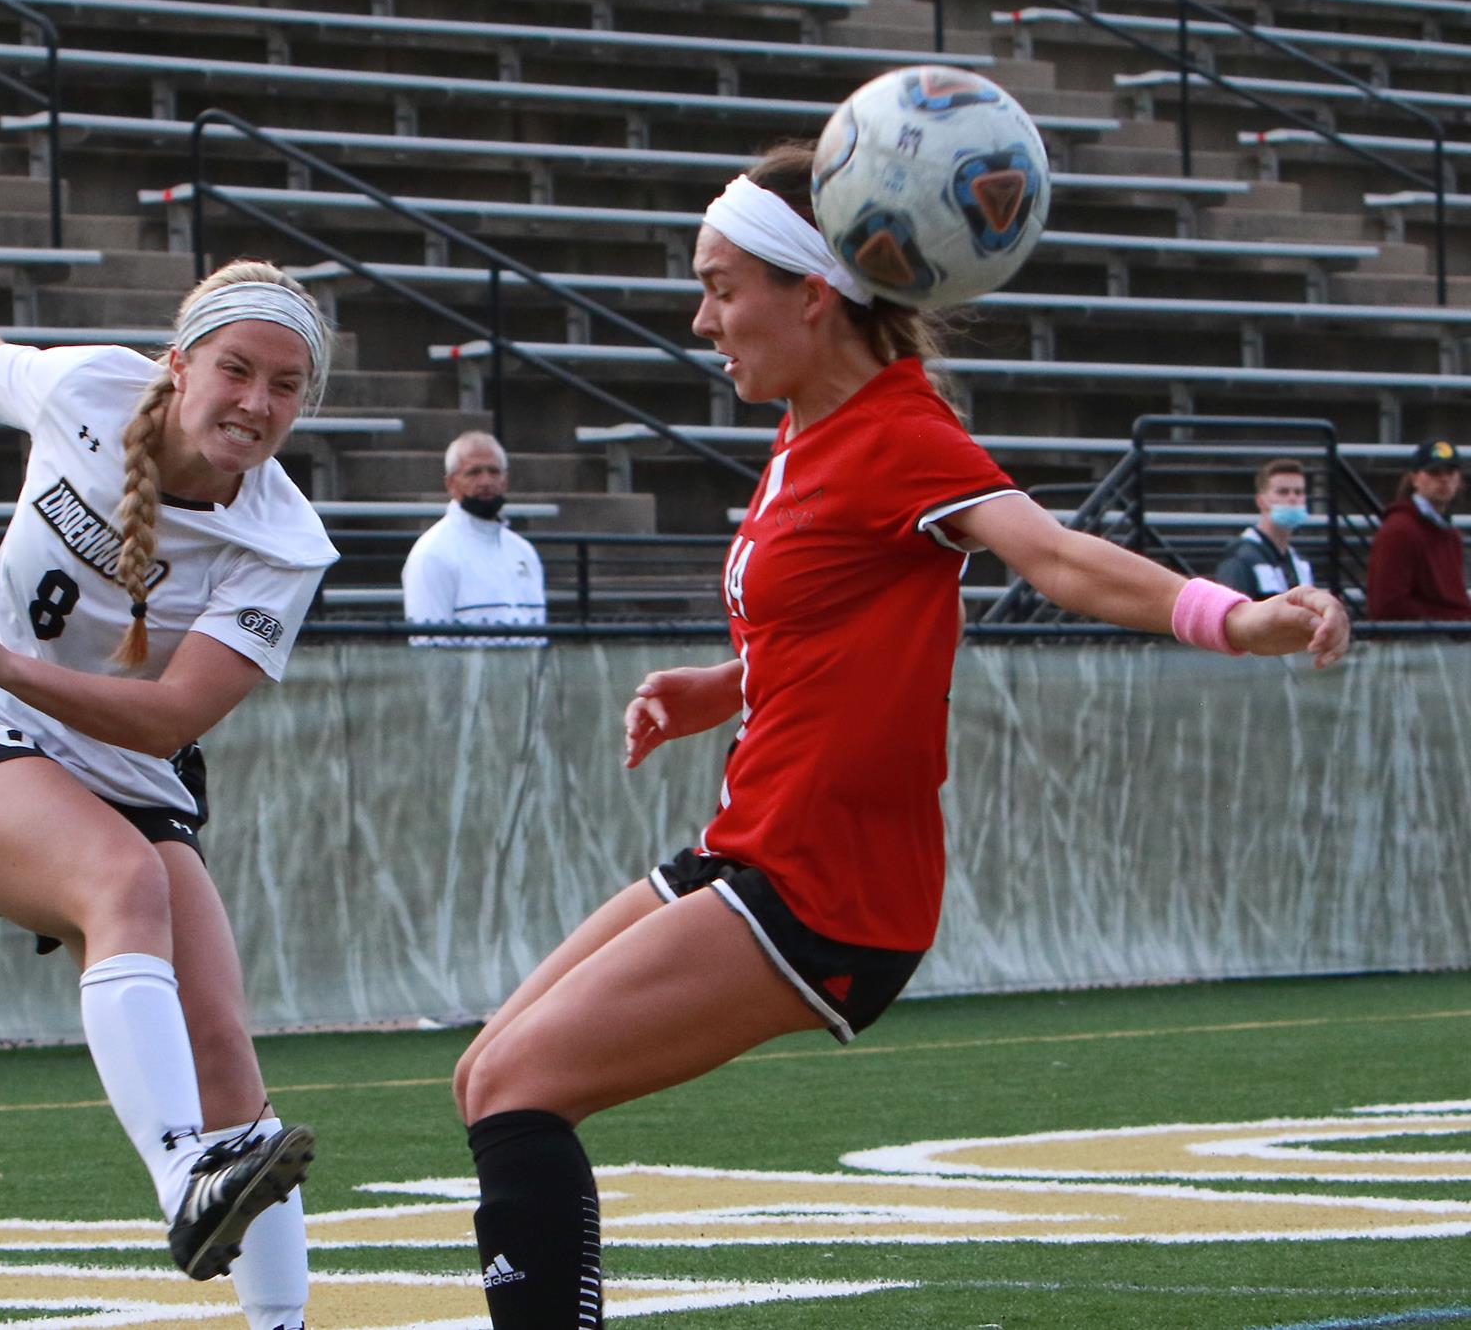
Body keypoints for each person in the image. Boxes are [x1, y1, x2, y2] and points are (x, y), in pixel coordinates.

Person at [448, 145, 1351, 1330]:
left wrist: (1233, 616)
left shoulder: (896, 430)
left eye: (721, 287)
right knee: (482, 1076)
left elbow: (1056, 556)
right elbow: (832, 617)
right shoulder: (802, 437)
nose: (700, 316)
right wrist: (724, 686)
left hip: (828, 883)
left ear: (810, 292)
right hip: (750, 841)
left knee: (521, 1088)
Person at [0, 134, 327, 1329]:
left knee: (228, 1062)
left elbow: (176, 714)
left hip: (130, 767)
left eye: (286, 387)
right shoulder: (93, 388)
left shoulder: (286, 541)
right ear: (181, 361)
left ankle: (282, 1324)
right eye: (238, 369)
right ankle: (180, 1178)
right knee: (119, 880)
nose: (256, 402)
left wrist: (12, 660)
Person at [400, 430, 548, 646]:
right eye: (473, 472)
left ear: (505, 481)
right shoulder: (432, 553)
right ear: (450, 484)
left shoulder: (524, 551)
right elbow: (429, 649)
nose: (486, 481)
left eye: (494, 471)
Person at [1366, 440, 1471, 621]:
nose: (1444, 478)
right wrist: (1455, 618)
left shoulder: (1450, 534)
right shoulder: (1399, 530)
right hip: (1417, 642)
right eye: (1434, 472)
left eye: (1450, 472)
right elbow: (1387, 605)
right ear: (1415, 478)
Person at [1215, 459, 1316, 600]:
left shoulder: (1300, 563)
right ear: (1261, 501)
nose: (1293, 498)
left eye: (1298, 492)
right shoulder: (1240, 557)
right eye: (1283, 492)